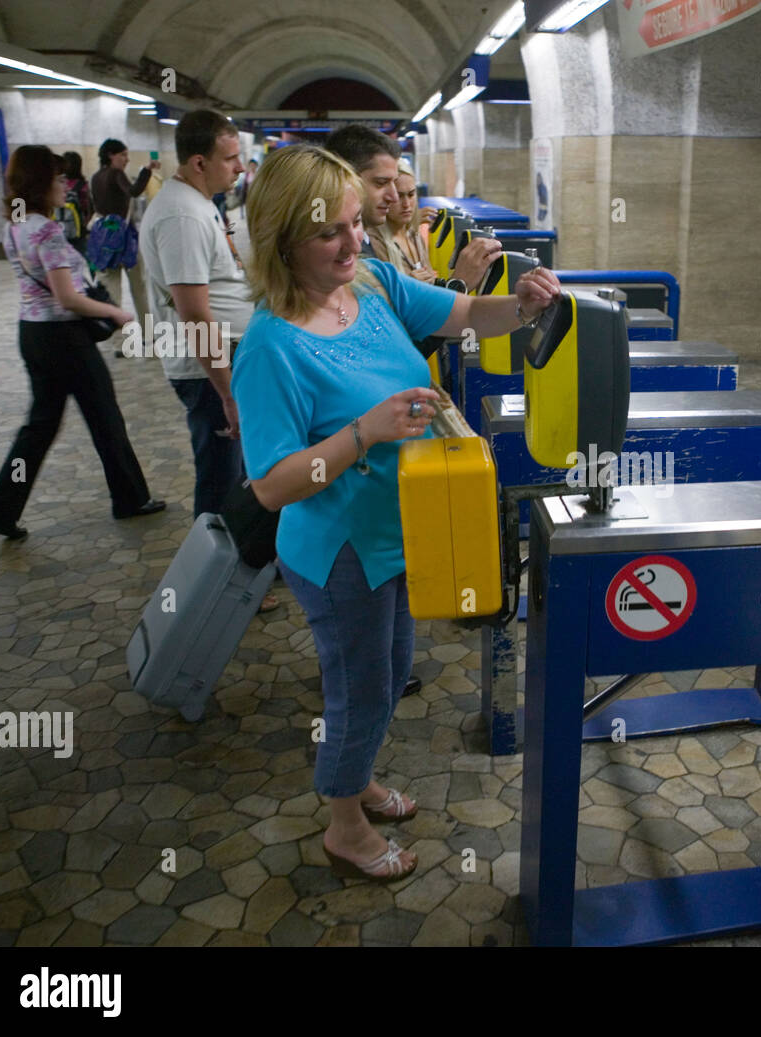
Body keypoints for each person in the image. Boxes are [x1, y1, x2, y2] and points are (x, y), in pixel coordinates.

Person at [231, 144, 563, 880]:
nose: (355, 242)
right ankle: (344, 822)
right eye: (331, 233)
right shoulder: (271, 346)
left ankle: (358, 779)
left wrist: (525, 304)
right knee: (361, 686)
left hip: (396, 524)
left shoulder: (375, 284)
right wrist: (362, 433)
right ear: (283, 241)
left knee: (393, 667)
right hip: (338, 547)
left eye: (356, 222)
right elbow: (273, 485)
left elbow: (472, 311)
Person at [0, 146, 164, 541]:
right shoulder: (45, 231)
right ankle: (130, 499)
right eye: (58, 178)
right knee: (105, 418)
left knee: (39, 427)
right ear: (41, 181)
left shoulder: (14, 225)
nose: (64, 184)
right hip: (65, 339)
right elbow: (67, 297)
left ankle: (2, 508)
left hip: (32, 334)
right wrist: (117, 314)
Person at [139, 109, 252, 522]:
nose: (240, 166)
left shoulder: (197, 203)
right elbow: (194, 314)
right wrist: (227, 392)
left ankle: (241, 571)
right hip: (207, 374)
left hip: (220, 365)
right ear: (199, 163)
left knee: (235, 473)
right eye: (231, 158)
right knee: (220, 481)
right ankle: (216, 580)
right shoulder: (181, 216)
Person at [325, 125, 498, 290]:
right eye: (381, 183)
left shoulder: (365, 242)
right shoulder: (337, 250)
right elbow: (390, 316)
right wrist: (459, 283)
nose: (393, 197)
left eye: (410, 193)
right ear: (345, 179)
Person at [89, 138, 157, 325]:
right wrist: (147, 170)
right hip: (126, 240)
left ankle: (116, 338)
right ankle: (148, 334)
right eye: (123, 155)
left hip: (103, 239)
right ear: (111, 155)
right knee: (139, 287)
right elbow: (133, 191)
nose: (127, 159)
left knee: (111, 290)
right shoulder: (116, 174)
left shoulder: (95, 177)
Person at [384, 160, 435, 280]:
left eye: (411, 195)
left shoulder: (415, 237)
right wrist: (409, 286)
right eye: (398, 196)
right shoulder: (377, 243)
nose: (406, 204)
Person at [59, 151, 94, 254]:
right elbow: (88, 207)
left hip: (59, 227)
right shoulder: (82, 185)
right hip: (79, 229)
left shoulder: (59, 183)